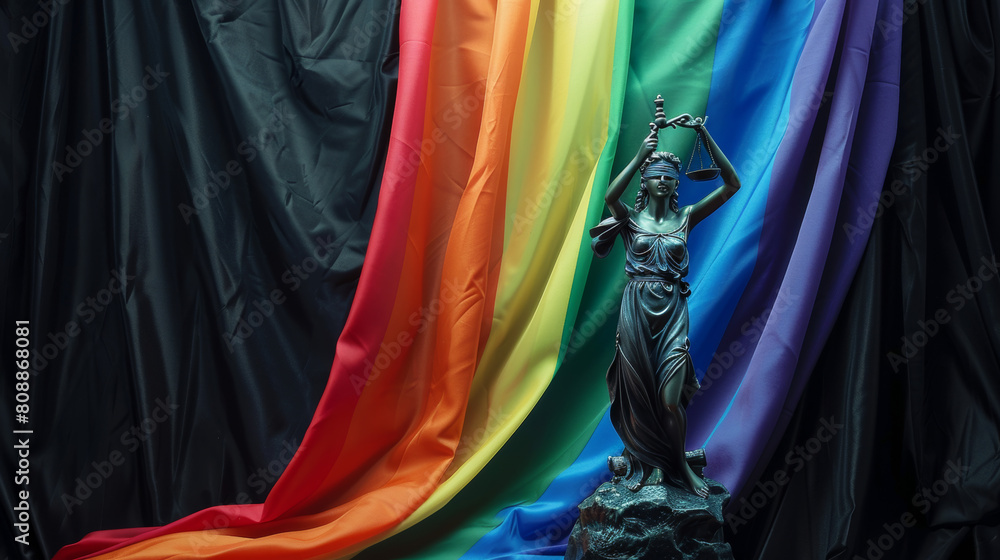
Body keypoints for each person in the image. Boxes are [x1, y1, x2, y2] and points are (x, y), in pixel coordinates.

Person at [590, 114, 740, 497]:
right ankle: (650, 464)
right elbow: (609, 197)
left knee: (670, 398)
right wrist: (640, 155)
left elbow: (732, 184)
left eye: (668, 175)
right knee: (640, 393)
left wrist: (704, 132)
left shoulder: (686, 218)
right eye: (654, 173)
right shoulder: (630, 219)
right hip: (636, 310)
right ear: (646, 178)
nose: (661, 179)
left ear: (676, 183)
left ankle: (679, 470)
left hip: (673, 310)